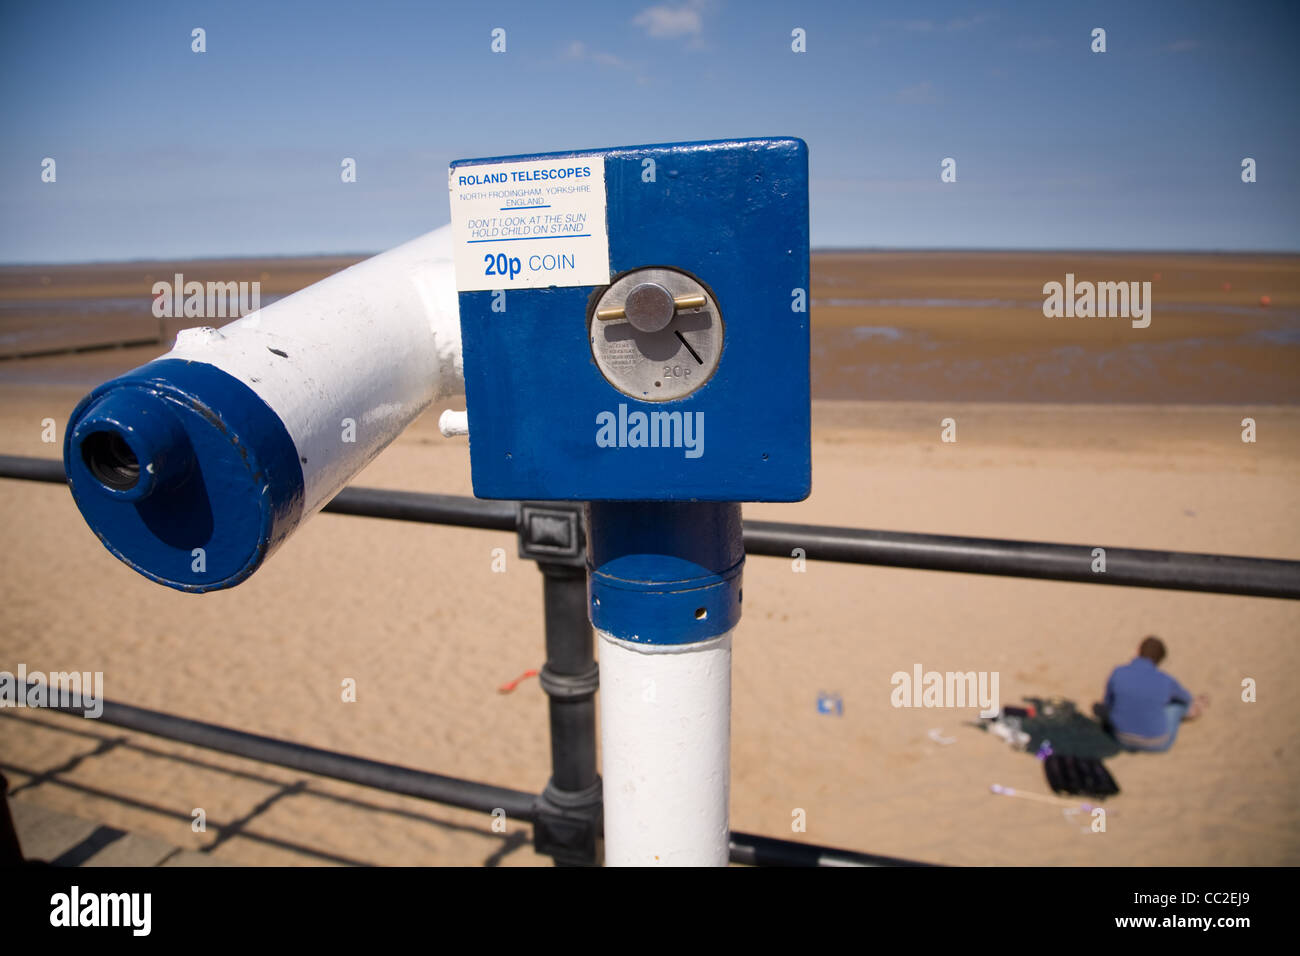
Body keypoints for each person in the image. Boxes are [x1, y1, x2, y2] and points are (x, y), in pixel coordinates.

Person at [1097, 636, 1207, 753]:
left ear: (1138, 651)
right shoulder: (1165, 680)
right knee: (1177, 705)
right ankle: (1193, 711)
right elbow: (1186, 697)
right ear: (1159, 660)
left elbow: (1108, 702)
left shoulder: (1118, 672)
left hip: (1120, 737)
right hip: (1156, 743)